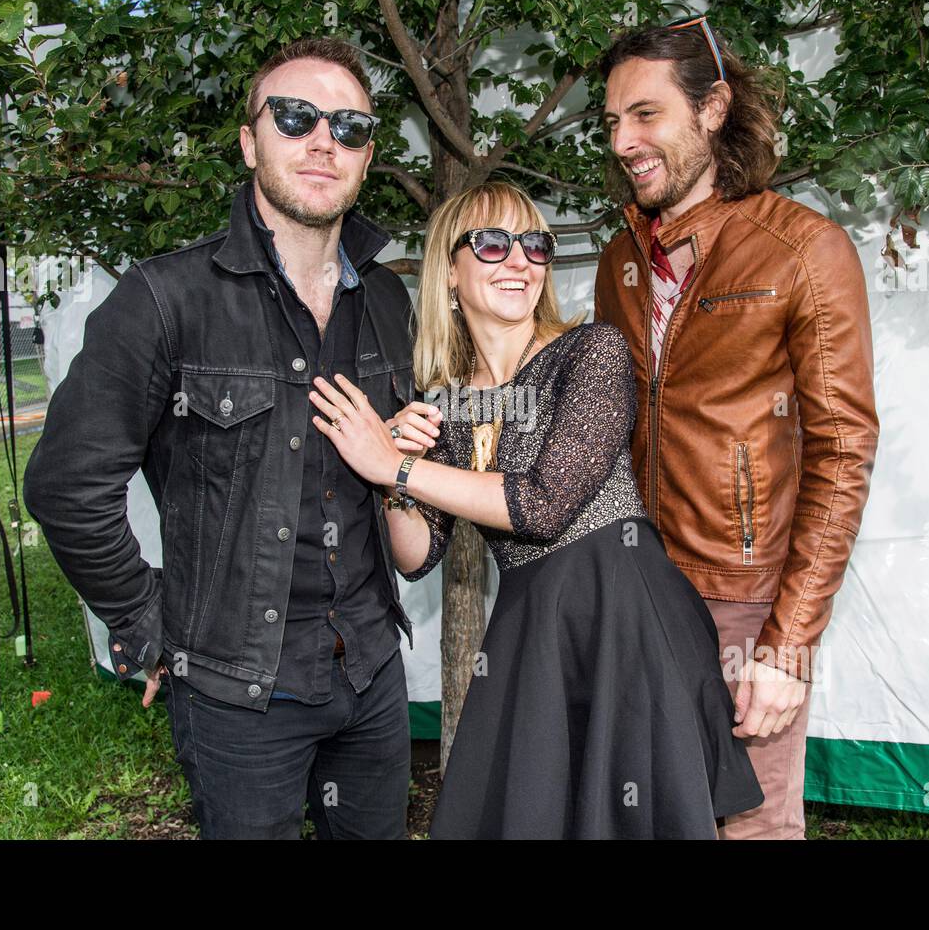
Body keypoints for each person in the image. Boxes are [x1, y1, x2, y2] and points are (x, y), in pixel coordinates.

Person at [22, 38, 421, 839]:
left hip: (372, 669)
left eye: (348, 126)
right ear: (249, 141)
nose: (322, 141)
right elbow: (67, 483)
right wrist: (144, 620)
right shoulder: (164, 299)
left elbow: (397, 457)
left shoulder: (385, 299)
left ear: (368, 156)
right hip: (239, 693)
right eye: (295, 117)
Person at [306, 181, 764, 838]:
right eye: (493, 244)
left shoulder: (593, 352)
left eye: (535, 245)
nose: (518, 260)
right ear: (450, 272)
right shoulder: (446, 403)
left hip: (624, 616)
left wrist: (398, 465)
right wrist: (393, 485)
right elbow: (415, 556)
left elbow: (543, 505)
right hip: (531, 625)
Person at [594, 17, 881, 839]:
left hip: (746, 602)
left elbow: (842, 449)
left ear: (713, 108)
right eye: (612, 121)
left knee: (749, 825)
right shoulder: (620, 260)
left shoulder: (802, 250)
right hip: (640, 590)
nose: (623, 139)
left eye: (645, 114)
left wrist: (788, 641)